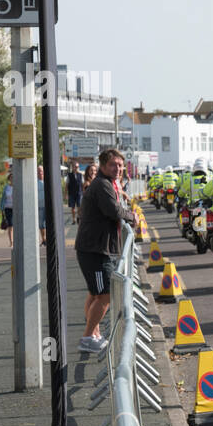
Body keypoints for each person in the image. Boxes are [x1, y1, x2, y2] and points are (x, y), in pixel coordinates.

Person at [75, 147, 136, 353]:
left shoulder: (108, 183)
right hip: (96, 249)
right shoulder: (102, 185)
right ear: (102, 166)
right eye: (113, 165)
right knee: (105, 295)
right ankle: (87, 338)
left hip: (96, 247)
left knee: (95, 293)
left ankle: (93, 334)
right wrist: (131, 216)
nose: (117, 168)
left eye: (120, 165)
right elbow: (112, 210)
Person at [66, 160, 84, 224]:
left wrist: (83, 193)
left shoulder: (80, 175)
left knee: (79, 207)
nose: (76, 168)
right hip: (71, 193)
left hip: (79, 193)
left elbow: (82, 185)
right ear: (72, 167)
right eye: (75, 166)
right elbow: (67, 185)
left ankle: (78, 217)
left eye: (77, 167)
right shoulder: (69, 175)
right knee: (73, 207)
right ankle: (74, 219)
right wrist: (66, 194)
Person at [1, 174, 14, 246]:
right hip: (7, 208)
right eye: (11, 178)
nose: (12, 179)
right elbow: (3, 197)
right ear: (9, 179)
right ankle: (11, 242)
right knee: (10, 225)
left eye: (13, 178)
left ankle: (16, 240)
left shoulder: (17, 187)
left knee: (16, 225)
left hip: (16, 208)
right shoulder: (6, 187)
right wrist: (2, 208)